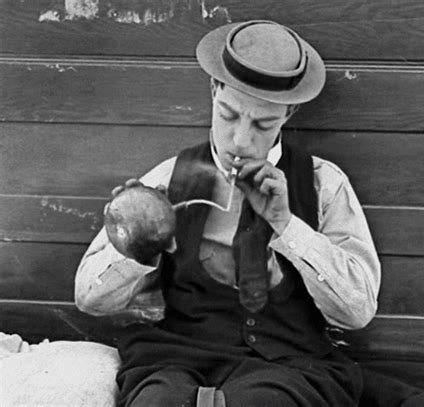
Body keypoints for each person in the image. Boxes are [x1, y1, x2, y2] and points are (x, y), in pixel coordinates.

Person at [75, 20, 380, 407]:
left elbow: (357, 311)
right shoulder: (168, 180)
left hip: (290, 365)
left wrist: (287, 226)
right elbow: (88, 298)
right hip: (177, 357)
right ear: (213, 89)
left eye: (262, 124)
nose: (240, 140)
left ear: (289, 112)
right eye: (229, 115)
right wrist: (139, 245)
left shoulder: (324, 182)